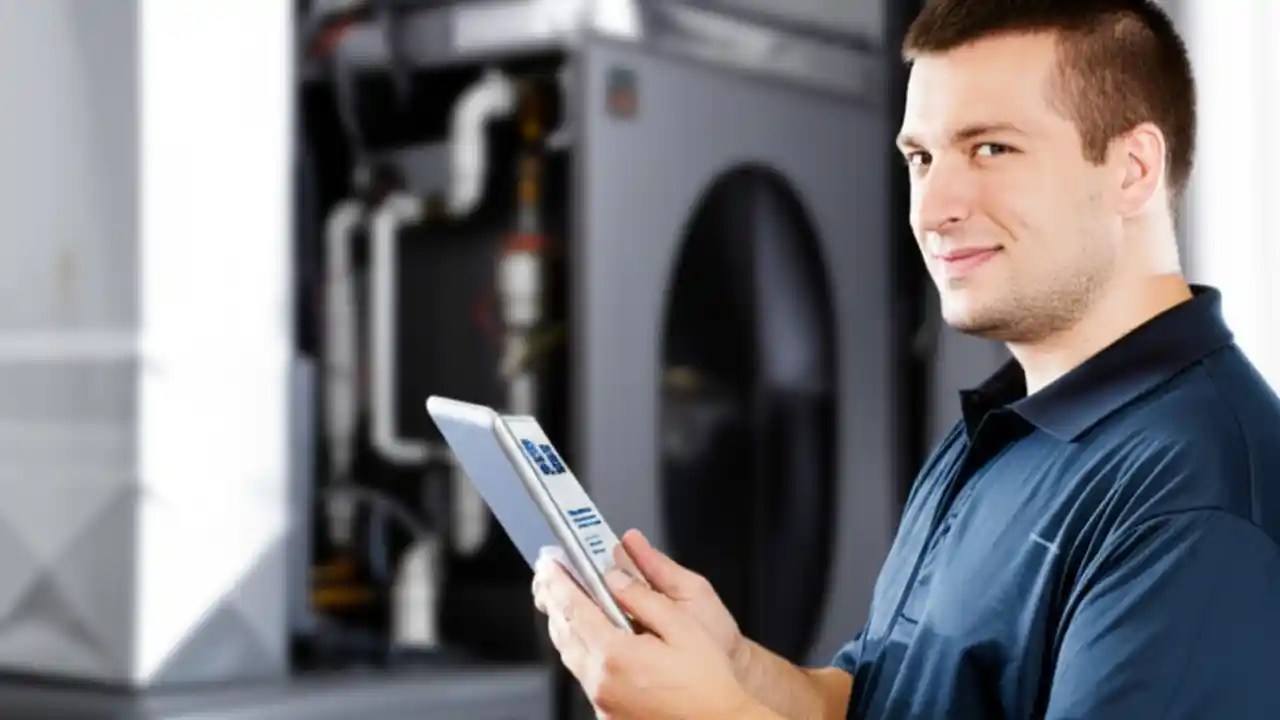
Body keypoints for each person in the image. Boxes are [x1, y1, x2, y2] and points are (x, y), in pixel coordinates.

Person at [532, 0, 1280, 717]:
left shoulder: (1197, 493)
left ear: (1132, 169)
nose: (933, 207)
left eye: (992, 148)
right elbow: (886, 701)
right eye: (921, 157)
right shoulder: (1000, 433)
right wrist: (733, 667)